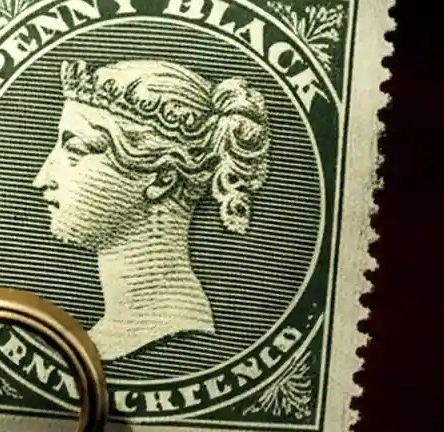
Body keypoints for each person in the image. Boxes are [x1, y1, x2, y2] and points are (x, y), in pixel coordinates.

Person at [31, 58, 272, 361]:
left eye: (76, 150)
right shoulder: (98, 342)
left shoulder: (180, 346)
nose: (41, 178)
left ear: (162, 178)